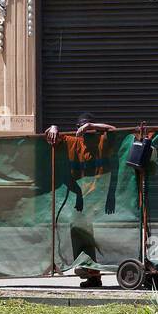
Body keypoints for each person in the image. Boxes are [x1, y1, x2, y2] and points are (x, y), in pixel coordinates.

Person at [46, 112, 117, 288]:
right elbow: (52, 138)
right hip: (81, 198)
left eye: (89, 128)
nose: (86, 132)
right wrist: (52, 127)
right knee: (78, 228)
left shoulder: (102, 140)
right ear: (77, 129)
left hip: (99, 195)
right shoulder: (73, 142)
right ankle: (91, 272)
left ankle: (89, 268)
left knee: (84, 229)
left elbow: (114, 130)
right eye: (82, 127)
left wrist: (92, 127)